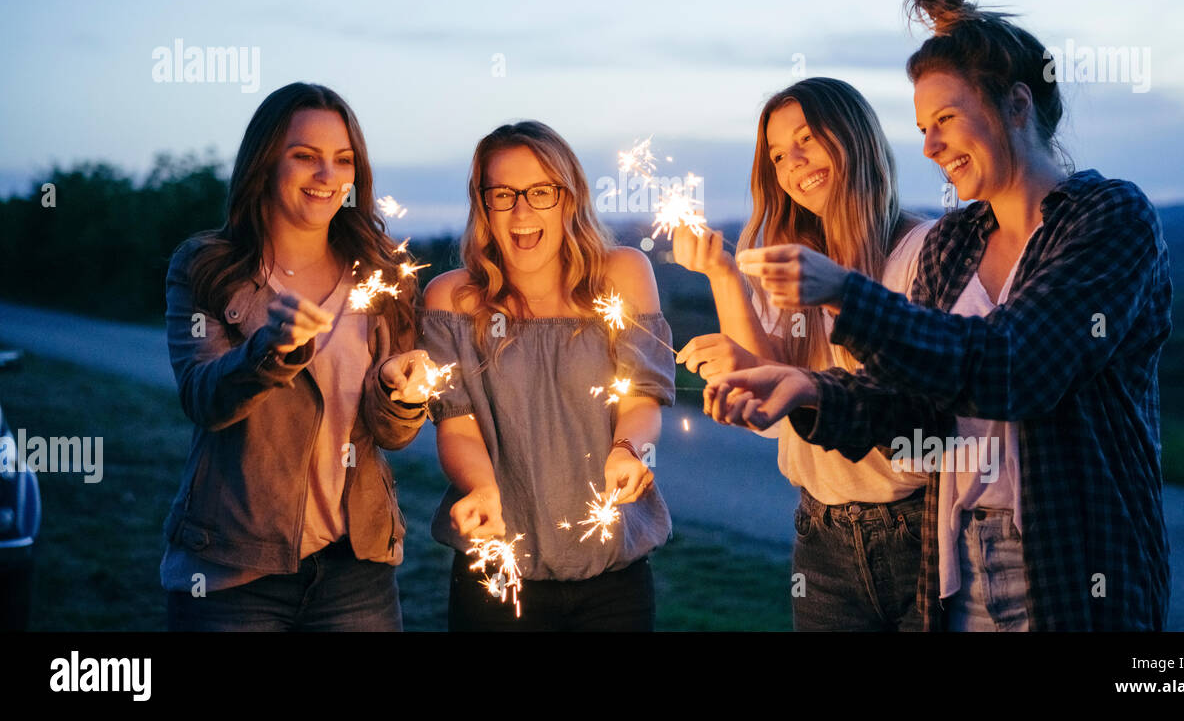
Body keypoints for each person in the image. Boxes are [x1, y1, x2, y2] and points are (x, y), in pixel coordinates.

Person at [704, 0, 1172, 631]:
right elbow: (915, 410)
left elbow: (1016, 368)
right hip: (954, 566)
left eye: (944, 120)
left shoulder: (1109, 218)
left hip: (1070, 559)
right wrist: (807, 391)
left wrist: (847, 294)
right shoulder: (955, 244)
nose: (929, 146)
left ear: (1015, 104)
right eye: (923, 127)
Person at [161, 82, 432, 631]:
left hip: (356, 570)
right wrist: (271, 351)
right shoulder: (208, 267)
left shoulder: (381, 278)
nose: (327, 176)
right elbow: (203, 399)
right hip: (234, 569)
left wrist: (400, 394)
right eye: (305, 157)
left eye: (342, 160)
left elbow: (392, 436)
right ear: (265, 163)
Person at [672, 77, 933, 630]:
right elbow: (777, 416)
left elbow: (922, 418)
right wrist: (723, 273)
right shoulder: (787, 266)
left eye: (807, 139)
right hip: (822, 537)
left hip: (922, 532)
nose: (793, 163)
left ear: (855, 136)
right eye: (777, 155)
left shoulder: (924, 253)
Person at [420, 121, 674, 631]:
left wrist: (627, 448)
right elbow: (457, 424)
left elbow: (641, 396)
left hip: (613, 580)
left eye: (540, 192)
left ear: (569, 199)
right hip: (494, 577)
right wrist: (480, 489)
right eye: (503, 194)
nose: (521, 211)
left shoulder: (621, 276)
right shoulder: (451, 301)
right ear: (482, 205)